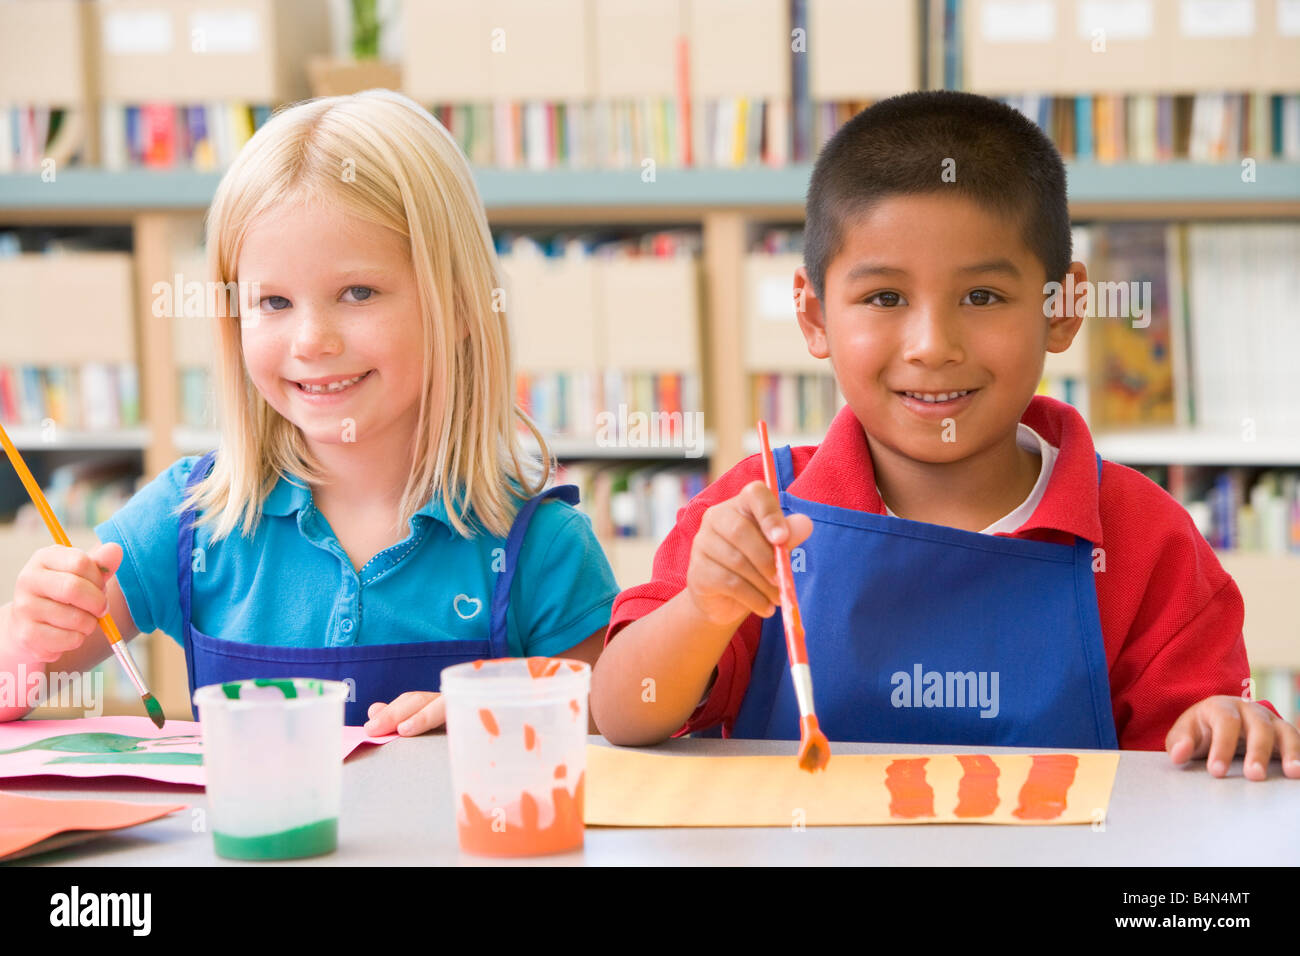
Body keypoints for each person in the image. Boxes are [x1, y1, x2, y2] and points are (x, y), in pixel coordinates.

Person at [591, 91, 1300, 781]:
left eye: (982, 297)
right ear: (813, 317)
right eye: (885, 298)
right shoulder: (754, 507)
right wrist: (703, 610)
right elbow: (621, 713)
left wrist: (1228, 725)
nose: (933, 345)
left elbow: (1199, 753)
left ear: (1062, 306)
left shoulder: (1149, 541)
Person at [1, 90, 618, 732]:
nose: (310, 341)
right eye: (272, 302)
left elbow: (615, 723)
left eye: (357, 292)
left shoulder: (542, 546)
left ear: (461, 306)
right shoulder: (187, 518)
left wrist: (509, 708)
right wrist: (28, 636)